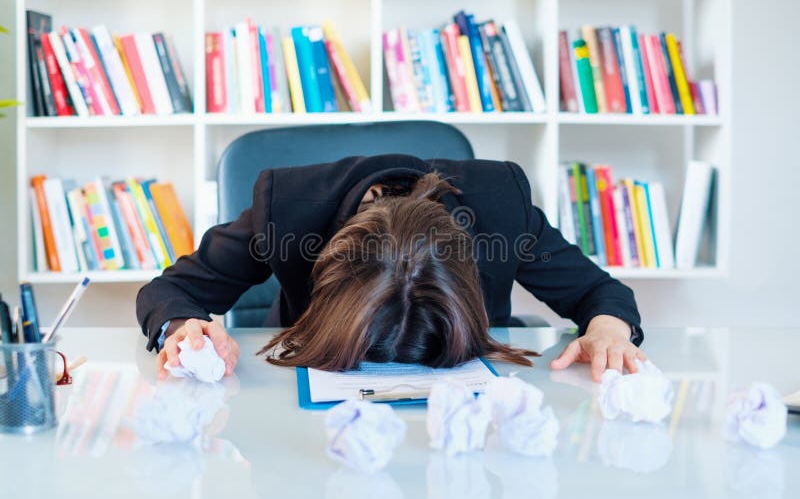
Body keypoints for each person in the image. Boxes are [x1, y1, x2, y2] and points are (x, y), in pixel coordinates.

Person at [136, 154, 645, 382]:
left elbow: (599, 293)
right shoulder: (285, 208)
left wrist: (608, 329)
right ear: (326, 274)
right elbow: (172, 290)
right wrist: (185, 328)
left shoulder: (502, 208)